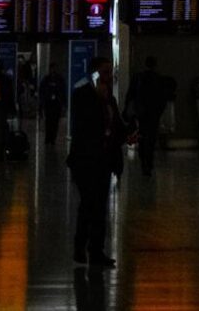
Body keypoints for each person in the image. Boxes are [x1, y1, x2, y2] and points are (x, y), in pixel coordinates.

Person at [68, 57, 129, 268]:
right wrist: (100, 101)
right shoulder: (82, 96)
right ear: (94, 74)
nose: (108, 77)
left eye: (110, 72)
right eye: (104, 72)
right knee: (88, 204)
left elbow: (117, 128)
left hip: (104, 161)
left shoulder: (110, 99)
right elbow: (85, 127)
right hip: (85, 161)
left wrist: (129, 133)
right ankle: (80, 247)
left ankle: (96, 251)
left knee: (99, 206)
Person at [123, 56, 168, 175]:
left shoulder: (138, 78)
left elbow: (130, 95)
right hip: (153, 114)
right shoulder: (159, 79)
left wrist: (127, 110)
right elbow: (163, 98)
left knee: (142, 136)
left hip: (141, 113)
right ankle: (149, 161)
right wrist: (159, 112)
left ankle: (144, 161)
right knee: (151, 138)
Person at [38, 62, 67, 147]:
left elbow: (63, 91)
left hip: (56, 103)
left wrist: (63, 103)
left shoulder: (60, 79)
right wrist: (42, 103)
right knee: (48, 121)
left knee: (55, 122)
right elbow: (42, 91)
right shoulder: (46, 79)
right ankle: (48, 138)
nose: (53, 70)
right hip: (48, 103)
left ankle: (53, 138)